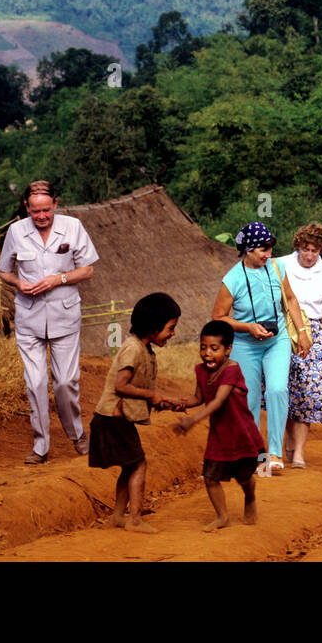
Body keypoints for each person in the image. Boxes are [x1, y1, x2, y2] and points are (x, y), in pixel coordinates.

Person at [0, 180, 99, 465]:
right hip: (28, 317)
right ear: (27, 208)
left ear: (55, 204)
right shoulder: (16, 232)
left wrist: (59, 278)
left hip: (64, 315)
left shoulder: (74, 227)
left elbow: (88, 269)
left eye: (46, 210)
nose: (41, 216)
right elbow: (4, 271)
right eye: (35, 211)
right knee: (36, 382)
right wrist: (19, 282)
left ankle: (78, 434)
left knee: (65, 382)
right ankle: (41, 446)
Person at [212, 221, 310, 476]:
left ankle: (275, 452)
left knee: (278, 389)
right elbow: (218, 317)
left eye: (270, 248)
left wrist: (301, 332)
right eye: (263, 249)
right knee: (250, 398)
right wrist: (247, 327)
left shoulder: (277, 267)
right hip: (245, 344)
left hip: (276, 341)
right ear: (248, 249)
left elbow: (289, 298)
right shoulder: (232, 279)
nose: (268, 254)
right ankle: (257, 453)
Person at [88, 292, 184, 533]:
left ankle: (119, 516)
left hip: (115, 417)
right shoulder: (132, 349)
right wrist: (152, 396)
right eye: (170, 328)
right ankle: (135, 519)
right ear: (153, 326)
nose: (172, 334)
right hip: (112, 418)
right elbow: (121, 386)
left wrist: (165, 400)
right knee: (139, 464)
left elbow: (137, 388)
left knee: (130, 465)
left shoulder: (143, 348)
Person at [173, 321, 265, 531]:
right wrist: (173, 402)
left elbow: (218, 400)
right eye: (203, 347)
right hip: (219, 435)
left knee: (244, 477)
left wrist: (192, 420)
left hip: (241, 434)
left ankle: (250, 498)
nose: (207, 354)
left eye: (214, 349)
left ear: (228, 349)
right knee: (210, 477)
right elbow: (198, 397)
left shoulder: (232, 369)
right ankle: (222, 516)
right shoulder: (200, 370)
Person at [278, 224, 322, 469]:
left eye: (314, 251)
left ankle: (299, 454)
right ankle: (287, 437)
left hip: (314, 332)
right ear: (298, 246)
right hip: (284, 328)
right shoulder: (281, 264)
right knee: (282, 388)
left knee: (308, 392)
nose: (309, 255)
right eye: (306, 249)